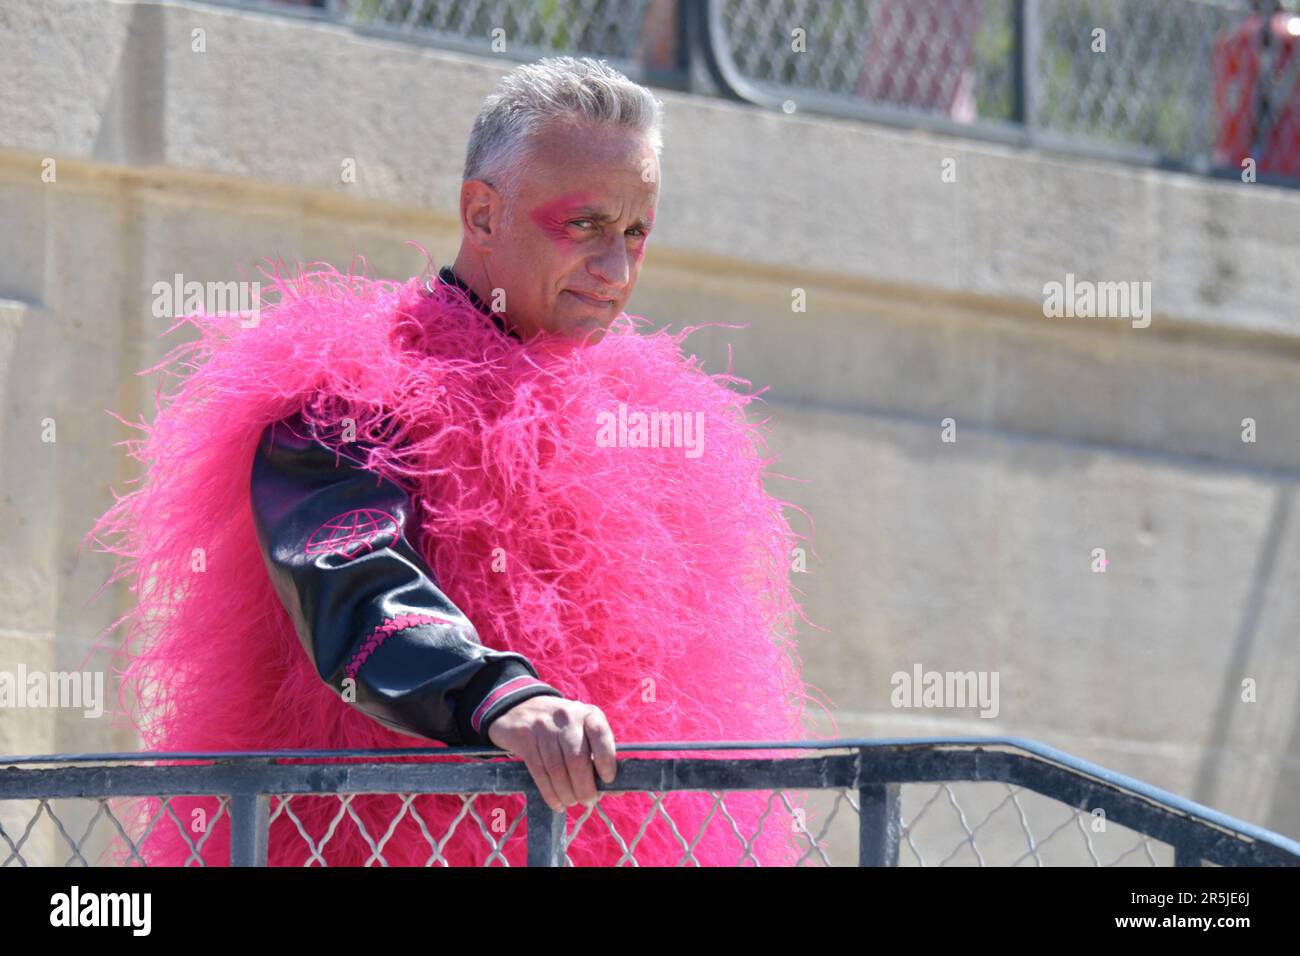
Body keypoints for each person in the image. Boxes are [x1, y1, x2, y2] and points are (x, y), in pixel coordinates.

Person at [89, 55, 832, 866]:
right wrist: (495, 697)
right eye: (583, 226)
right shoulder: (350, 388)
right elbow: (349, 576)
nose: (616, 269)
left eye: (635, 232)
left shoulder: (658, 425)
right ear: (482, 215)